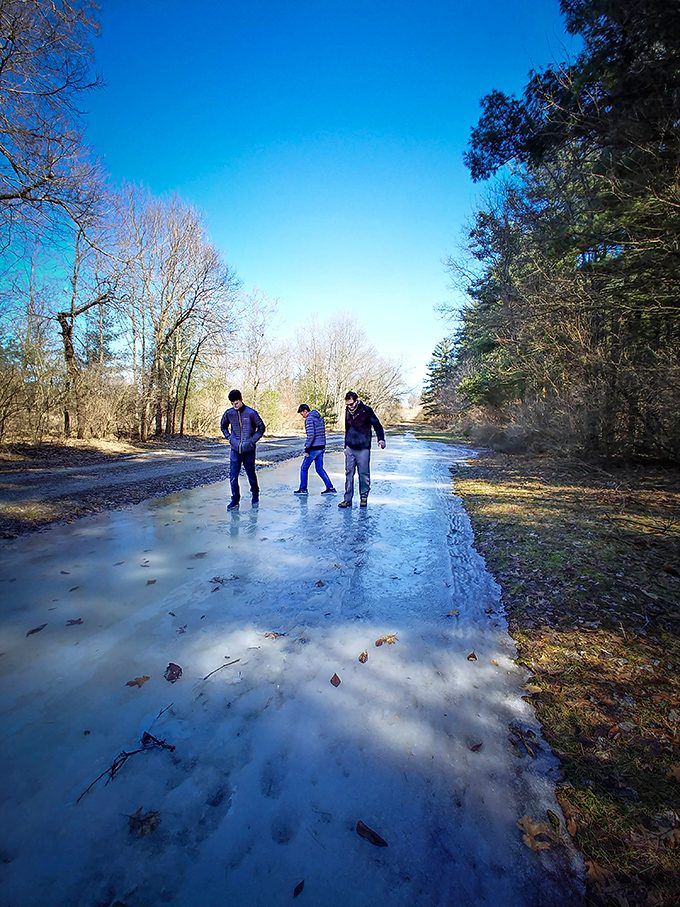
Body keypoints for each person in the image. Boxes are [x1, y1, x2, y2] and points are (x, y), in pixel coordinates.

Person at [338, 391, 385, 508]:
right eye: (348, 405)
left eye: (352, 404)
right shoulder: (347, 411)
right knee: (349, 474)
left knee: (363, 474)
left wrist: (381, 439)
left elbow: (377, 425)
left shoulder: (366, 410)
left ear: (356, 401)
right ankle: (347, 499)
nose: (350, 407)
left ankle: (363, 498)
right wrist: (345, 446)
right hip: (350, 448)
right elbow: (347, 429)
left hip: (363, 448)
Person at [220, 389, 266, 510]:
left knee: (251, 474)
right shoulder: (229, 413)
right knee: (233, 476)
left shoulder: (251, 413)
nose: (234, 406)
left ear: (241, 400)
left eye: (236, 403)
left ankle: (255, 494)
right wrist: (229, 438)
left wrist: (252, 441)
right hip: (235, 449)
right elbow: (223, 426)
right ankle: (235, 499)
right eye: (232, 403)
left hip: (248, 449)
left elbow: (261, 427)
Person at [294, 404, 336, 495]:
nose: (303, 416)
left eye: (302, 414)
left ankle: (303, 489)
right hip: (321, 446)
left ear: (305, 411)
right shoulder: (319, 418)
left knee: (304, 468)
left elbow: (311, 435)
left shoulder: (309, 419)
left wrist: (307, 448)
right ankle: (330, 487)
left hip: (314, 448)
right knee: (319, 469)